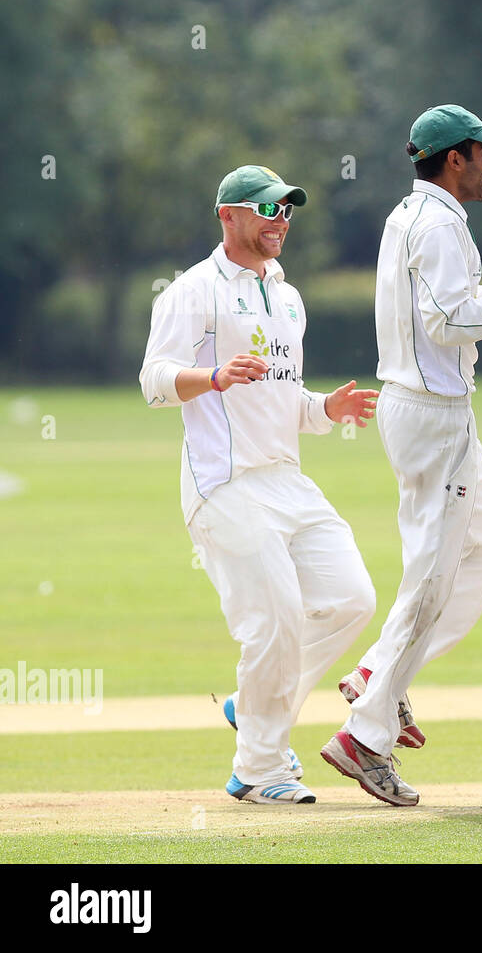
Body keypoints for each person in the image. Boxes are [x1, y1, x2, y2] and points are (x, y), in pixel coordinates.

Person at [320, 105, 482, 806]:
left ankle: (381, 672)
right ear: (453, 159)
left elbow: (443, 309)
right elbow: (447, 318)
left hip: (429, 412)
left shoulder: (410, 215)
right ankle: (364, 735)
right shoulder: (438, 225)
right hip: (433, 415)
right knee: (432, 580)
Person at [140, 165, 380, 804]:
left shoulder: (287, 293)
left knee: (352, 597)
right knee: (271, 622)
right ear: (228, 215)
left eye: (288, 210)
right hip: (225, 483)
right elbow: (155, 381)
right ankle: (261, 769)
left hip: (287, 479)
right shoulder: (193, 291)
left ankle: (252, 704)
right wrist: (213, 376)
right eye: (268, 209)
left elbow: (283, 395)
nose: (281, 220)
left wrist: (326, 409)